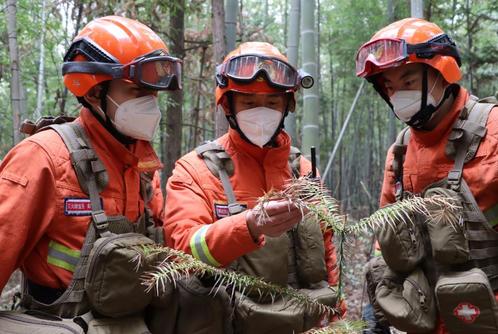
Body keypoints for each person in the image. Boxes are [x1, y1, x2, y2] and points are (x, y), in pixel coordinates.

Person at [0, 15, 181, 331]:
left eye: (154, 94)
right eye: (138, 91)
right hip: (61, 325)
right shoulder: (44, 158)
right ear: (95, 91)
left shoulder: (143, 169)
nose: (151, 106)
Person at [163, 41, 342, 333]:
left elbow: (329, 256)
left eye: (272, 102)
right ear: (228, 104)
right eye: (248, 102)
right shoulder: (195, 170)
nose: (261, 112)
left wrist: (339, 320)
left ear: (287, 105)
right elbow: (181, 253)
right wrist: (247, 225)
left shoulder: (304, 172)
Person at [356, 18, 498, 334]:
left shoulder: (493, 134)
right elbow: (386, 234)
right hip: (423, 320)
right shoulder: (400, 151)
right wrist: (375, 307)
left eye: (407, 81)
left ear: (442, 73)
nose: (397, 95)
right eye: (389, 87)